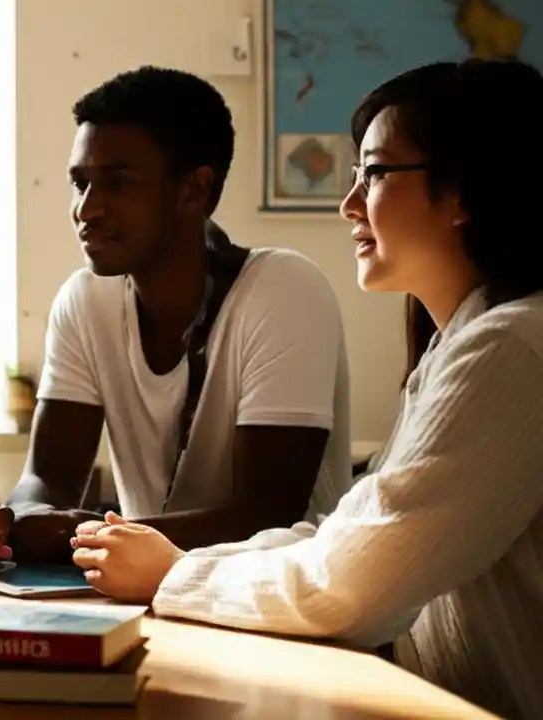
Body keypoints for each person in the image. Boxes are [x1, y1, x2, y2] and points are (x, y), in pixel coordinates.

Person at [70, 58, 543, 718]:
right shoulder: (457, 349)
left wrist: (174, 574)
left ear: (463, 191)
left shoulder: (510, 350)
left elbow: (350, 589)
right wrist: (172, 558)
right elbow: (343, 540)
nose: (347, 204)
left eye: (374, 173)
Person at [0, 66, 353, 566]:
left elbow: (264, 518)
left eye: (117, 183)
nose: (86, 210)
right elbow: (46, 479)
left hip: (275, 603)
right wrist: (3, 523)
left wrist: (78, 531)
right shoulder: (85, 301)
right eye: (79, 183)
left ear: (194, 191)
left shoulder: (284, 290)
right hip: (143, 594)